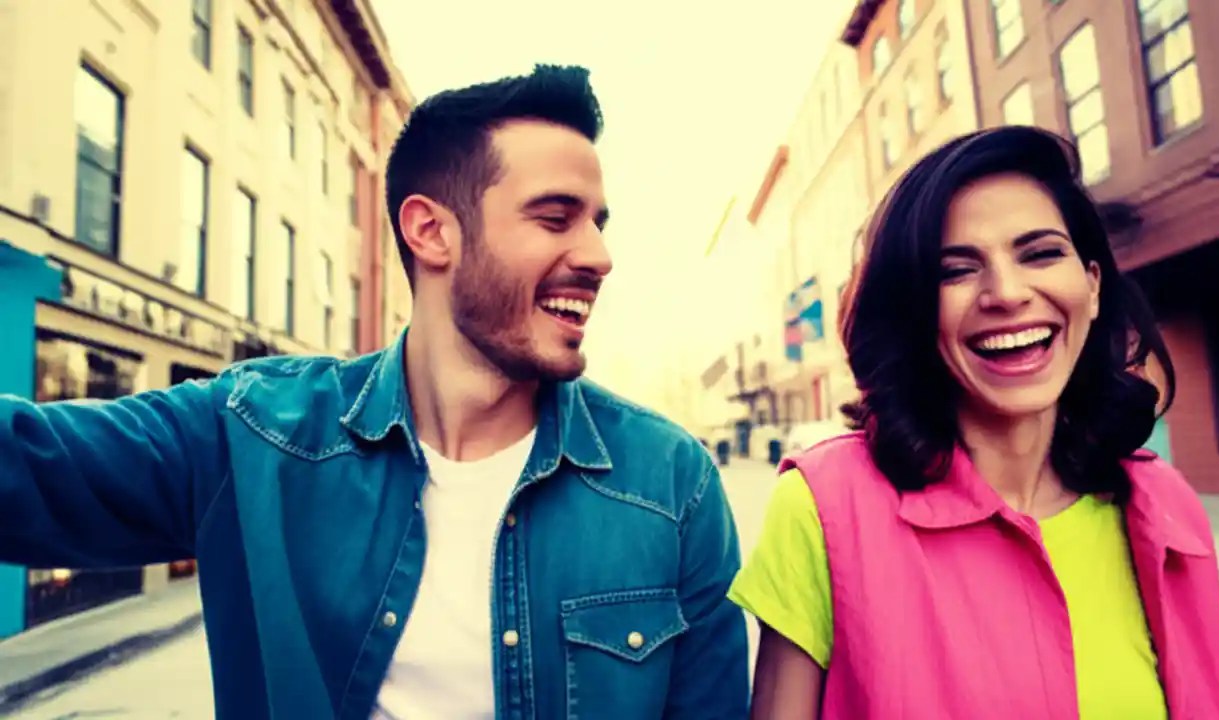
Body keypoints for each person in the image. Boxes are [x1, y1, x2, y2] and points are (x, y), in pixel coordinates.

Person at [0, 65, 749, 719]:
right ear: (430, 232)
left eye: (598, 223)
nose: (598, 256)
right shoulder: (253, 435)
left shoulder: (670, 482)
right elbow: (26, 469)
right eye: (555, 218)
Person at [729, 127, 1219, 719]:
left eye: (1041, 253)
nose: (1007, 292)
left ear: (1092, 286)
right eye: (956, 270)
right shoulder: (824, 507)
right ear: (914, 310)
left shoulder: (1166, 502)